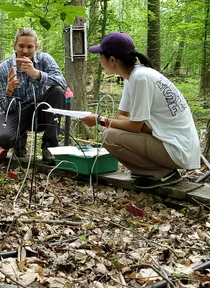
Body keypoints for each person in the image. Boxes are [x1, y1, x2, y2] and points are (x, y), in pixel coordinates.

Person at [81, 32, 200, 189]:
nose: (99, 60)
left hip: (177, 149)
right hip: (170, 143)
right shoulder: (134, 76)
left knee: (109, 136)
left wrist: (99, 120)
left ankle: (162, 173)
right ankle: (153, 172)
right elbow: (122, 116)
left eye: (100, 55)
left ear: (112, 60)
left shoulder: (141, 78)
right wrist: (142, 126)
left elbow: (133, 126)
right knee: (112, 132)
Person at [0, 28, 67, 165]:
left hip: (41, 111)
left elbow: (62, 83)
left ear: (36, 47)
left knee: (57, 92)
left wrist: (37, 74)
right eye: (21, 46)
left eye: (29, 46)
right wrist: (9, 92)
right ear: (15, 45)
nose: (25, 51)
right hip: (18, 112)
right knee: (4, 138)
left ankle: (49, 146)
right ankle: (18, 143)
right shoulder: (3, 69)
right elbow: (5, 106)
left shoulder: (45, 60)